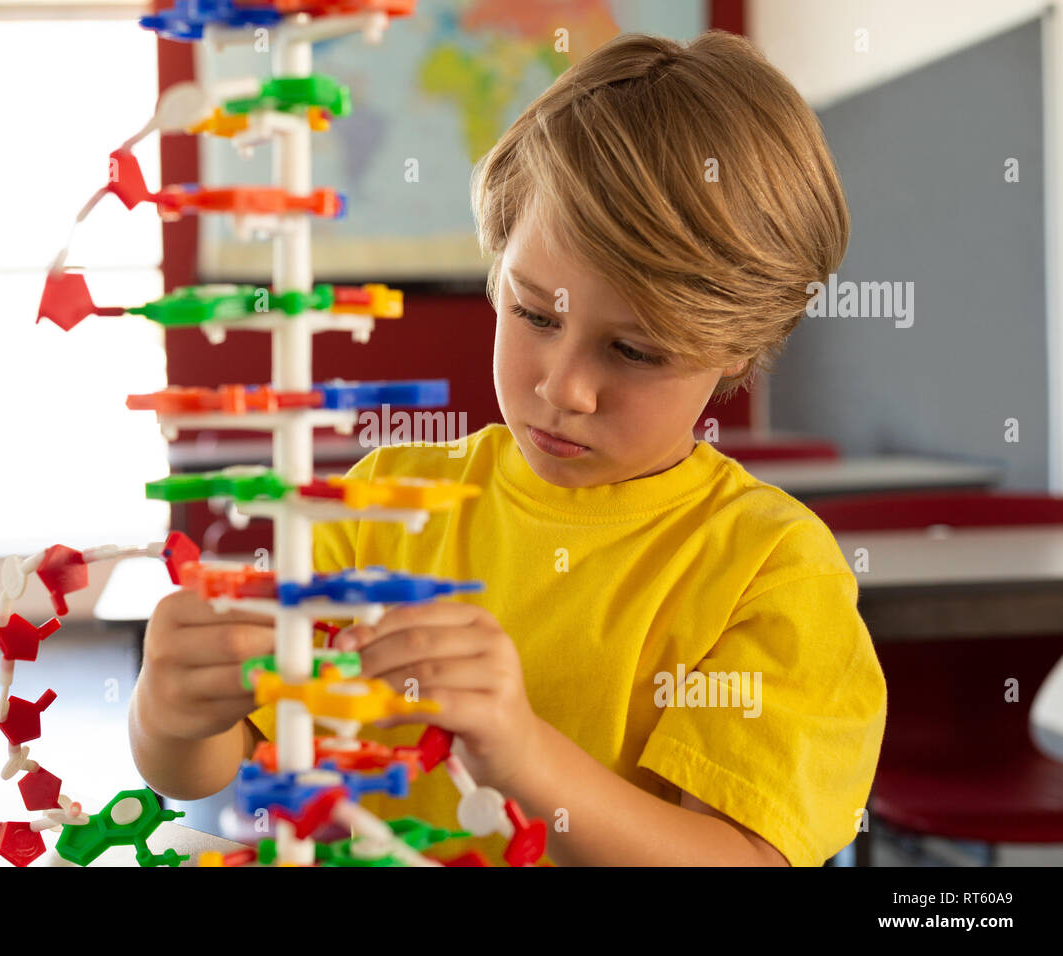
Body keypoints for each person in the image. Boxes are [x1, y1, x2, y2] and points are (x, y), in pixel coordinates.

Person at [129, 30, 886, 866]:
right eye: (535, 314)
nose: (565, 388)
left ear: (738, 348)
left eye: (634, 352)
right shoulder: (383, 504)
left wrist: (524, 754)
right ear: (498, 271)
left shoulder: (771, 572)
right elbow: (210, 764)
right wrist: (169, 713)